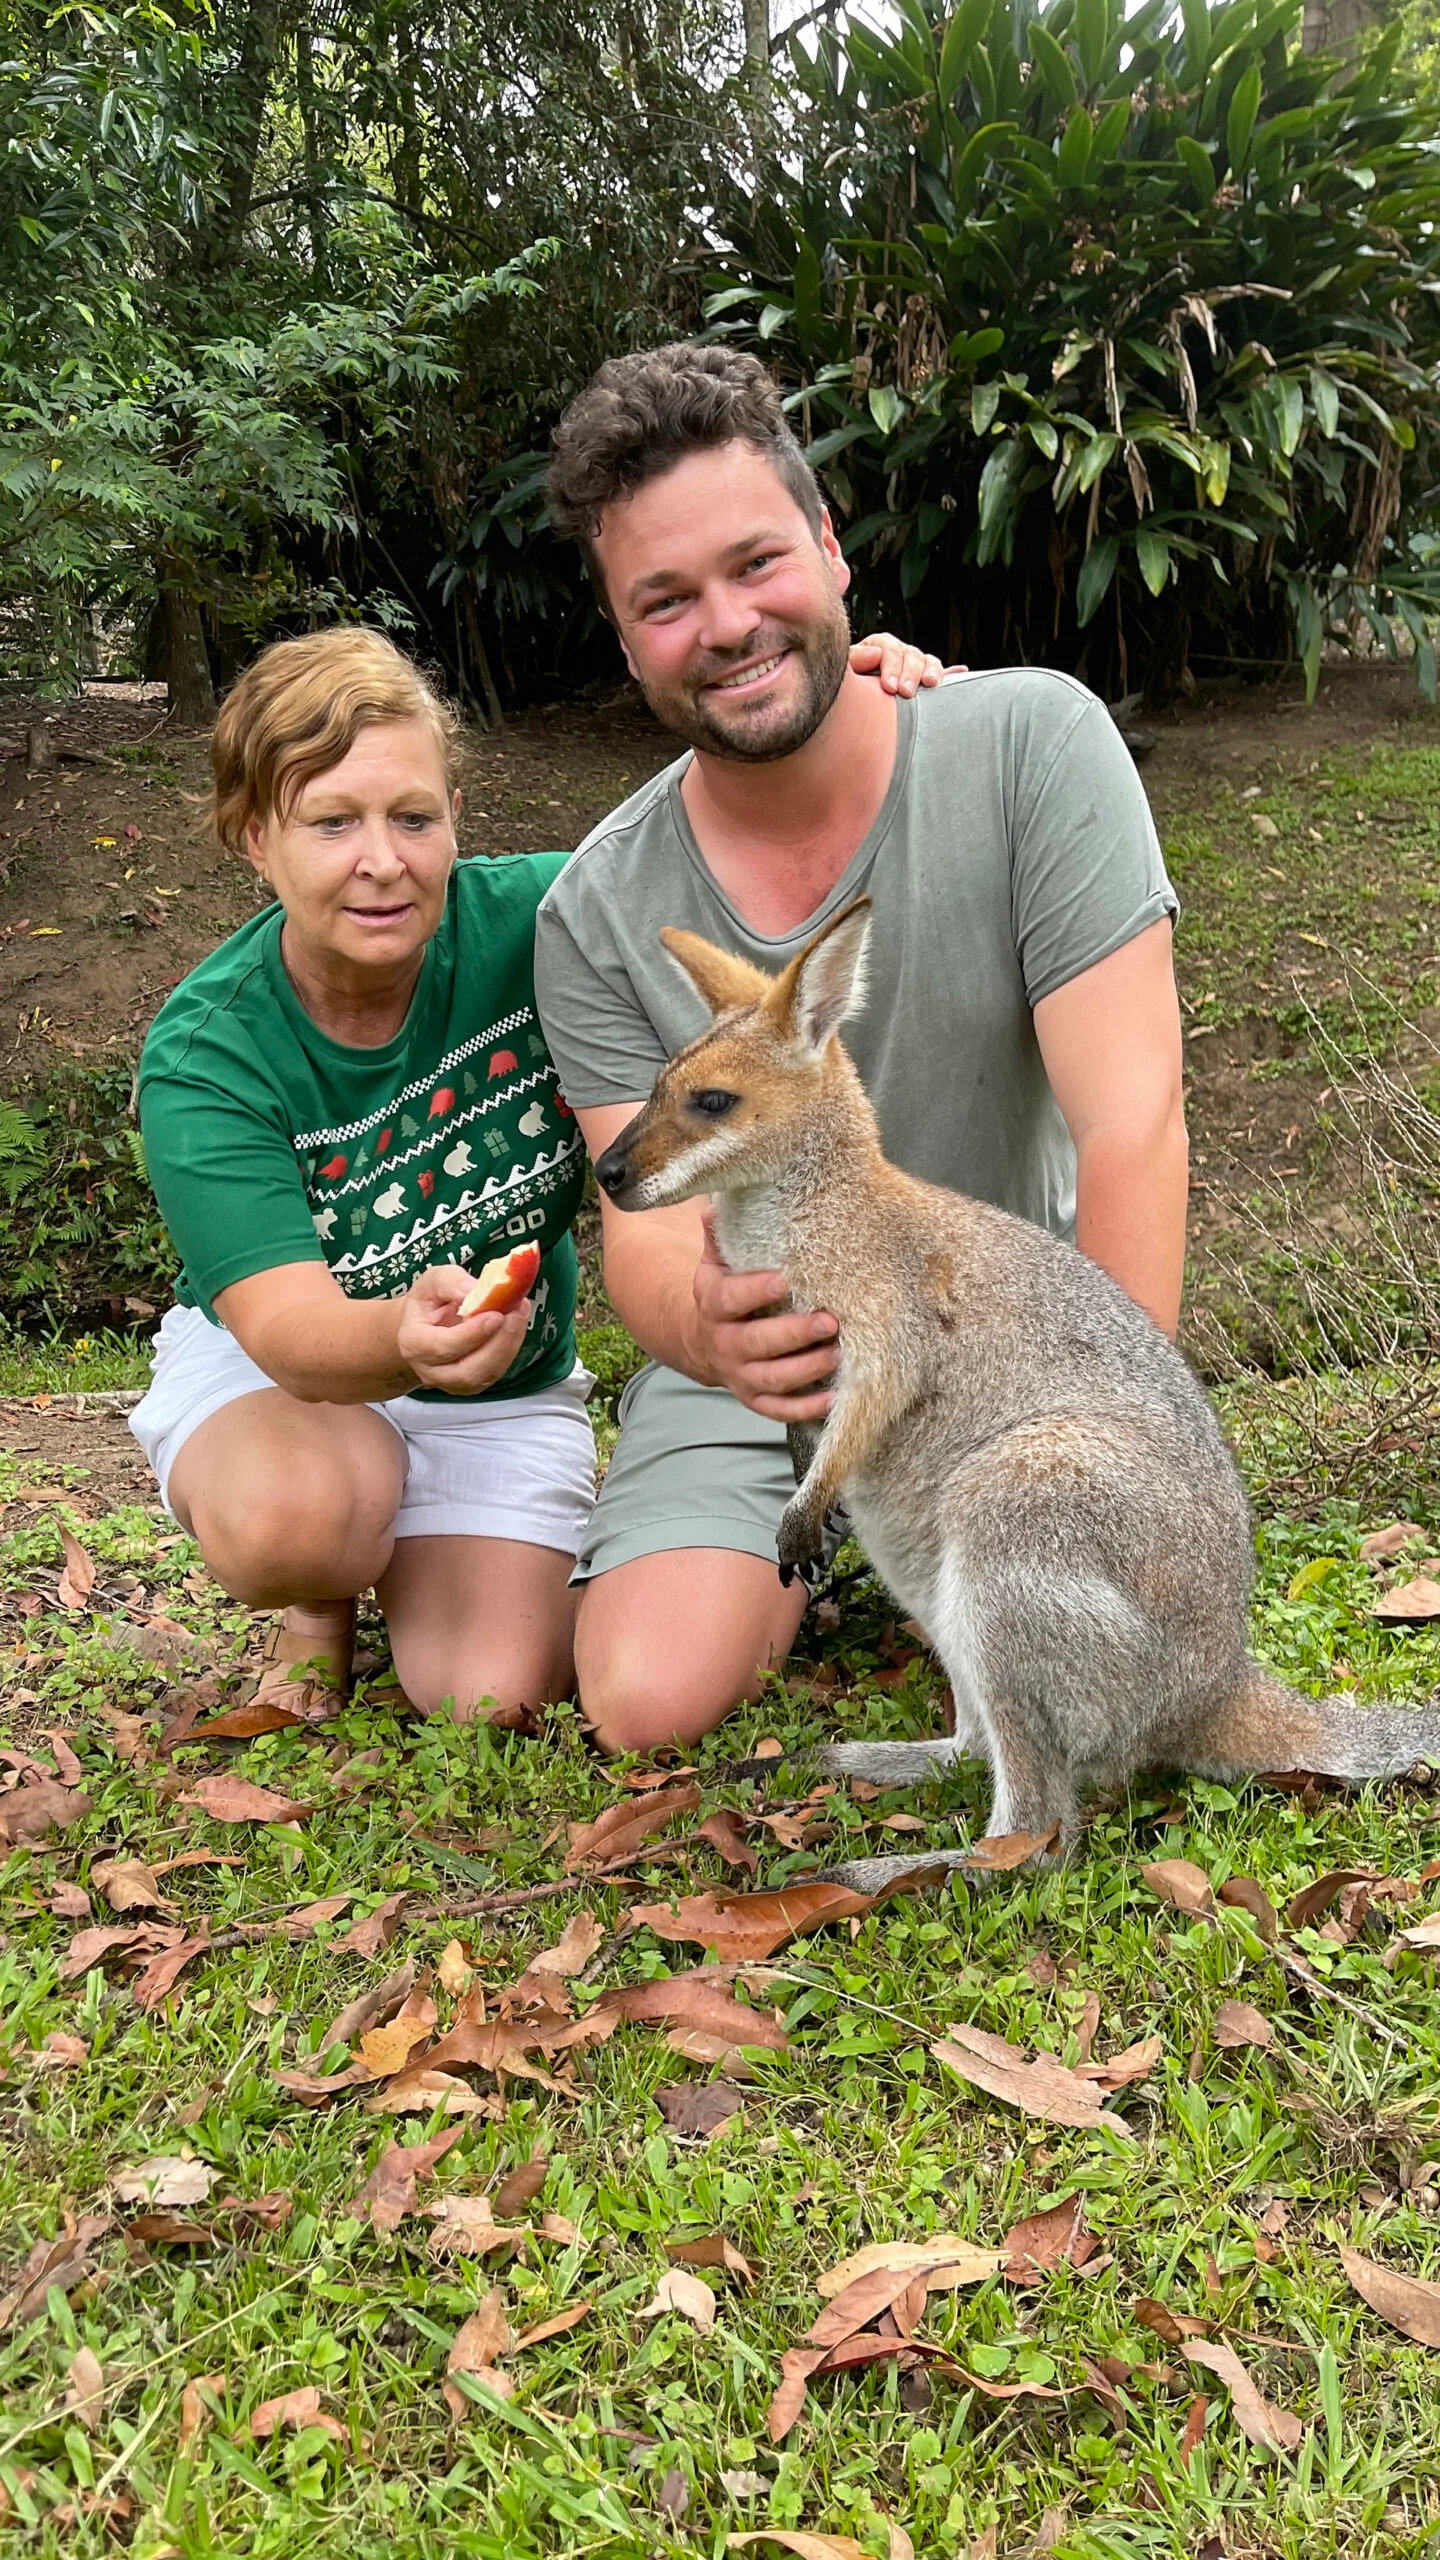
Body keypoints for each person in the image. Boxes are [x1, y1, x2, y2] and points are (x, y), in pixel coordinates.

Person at [533, 340, 1188, 1757]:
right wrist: (711, 1333)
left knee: (1040, 1585)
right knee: (647, 1696)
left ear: (832, 554)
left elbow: (1133, 1126)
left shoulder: (1028, 747)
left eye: (758, 562)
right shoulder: (596, 904)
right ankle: (834, 1545)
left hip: (1004, 1345)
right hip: (763, 1371)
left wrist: (1124, 1454)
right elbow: (636, 1219)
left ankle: (969, 1570)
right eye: (665, 600)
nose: (725, 623)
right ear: (625, 633)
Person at [130, 620, 939, 1721]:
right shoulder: (205, 1053)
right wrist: (398, 1340)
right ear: (254, 836)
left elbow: (725, 866)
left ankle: (420, 1553)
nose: (383, 860)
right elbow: (284, 1325)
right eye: (332, 822)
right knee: (310, 1513)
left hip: (499, 1381)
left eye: (414, 816)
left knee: (490, 1692)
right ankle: (320, 1599)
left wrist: (846, 702)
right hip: (294, 1377)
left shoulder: (543, 923)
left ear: (456, 817)